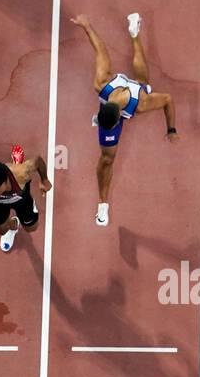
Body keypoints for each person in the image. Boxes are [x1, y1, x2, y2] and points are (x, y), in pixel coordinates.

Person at [69, 13, 178, 227]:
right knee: (107, 158)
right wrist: (87, 25)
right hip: (124, 94)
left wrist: (172, 129)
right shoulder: (101, 84)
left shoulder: (141, 103)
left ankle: (135, 35)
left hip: (134, 95)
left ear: (120, 117)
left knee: (145, 83)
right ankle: (103, 204)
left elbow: (168, 99)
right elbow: (100, 51)